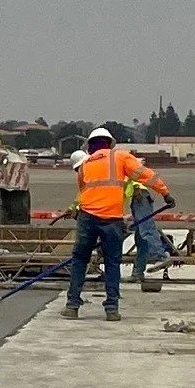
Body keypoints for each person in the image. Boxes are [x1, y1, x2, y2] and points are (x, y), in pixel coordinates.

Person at [66, 128, 175, 320]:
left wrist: (75, 210)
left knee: (80, 260)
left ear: (90, 146)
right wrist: (165, 193)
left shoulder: (84, 165)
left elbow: (82, 193)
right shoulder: (120, 157)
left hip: (87, 218)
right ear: (109, 143)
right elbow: (146, 175)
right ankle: (111, 309)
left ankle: (72, 306)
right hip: (111, 219)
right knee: (112, 262)